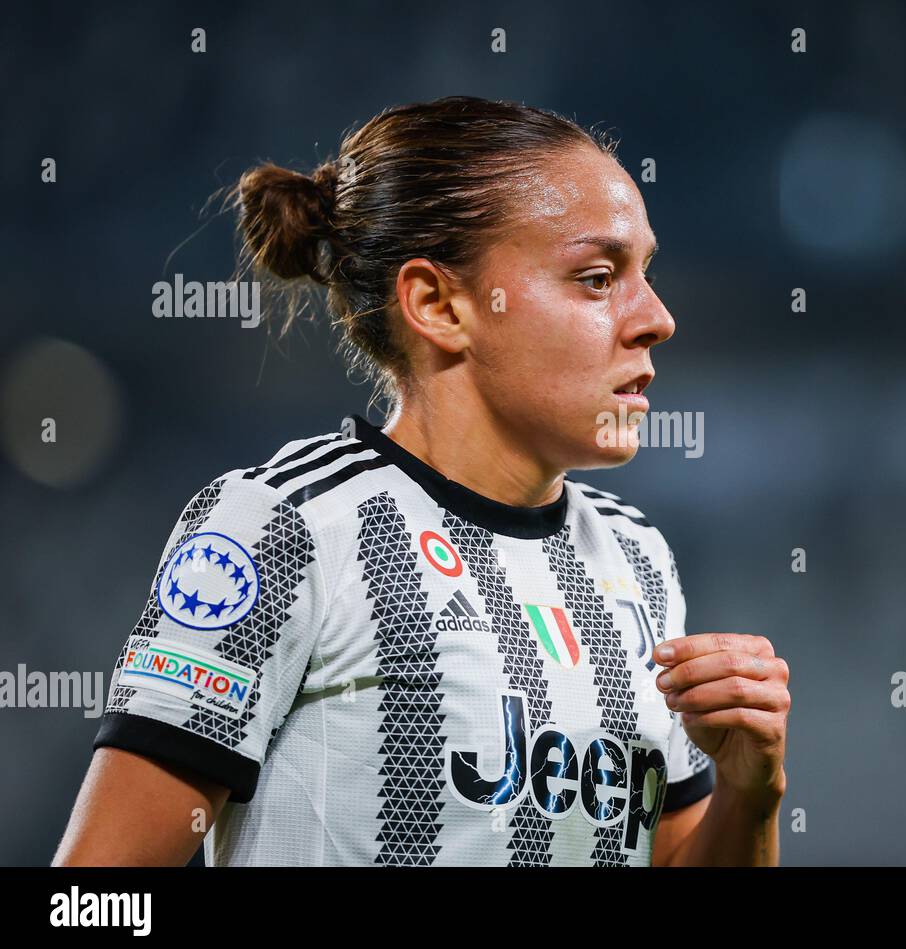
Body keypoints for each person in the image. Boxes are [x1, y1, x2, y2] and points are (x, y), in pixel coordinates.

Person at [53, 96, 790, 866]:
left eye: (645, 272)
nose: (657, 317)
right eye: (598, 277)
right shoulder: (284, 529)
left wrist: (750, 794)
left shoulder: (637, 560)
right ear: (439, 304)